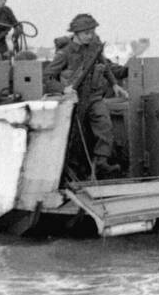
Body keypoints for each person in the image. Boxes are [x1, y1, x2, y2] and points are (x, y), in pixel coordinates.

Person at [43, 13, 125, 179]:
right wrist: (63, 89)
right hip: (75, 101)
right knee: (76, 137)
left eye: (92, 32)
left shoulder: (94, 48)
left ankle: (101, 163)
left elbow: (104, 66)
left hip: (94, 97)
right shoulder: (65, 54)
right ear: (77, 33)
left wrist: (115, 84)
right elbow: (47, 77)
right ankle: (74, 171)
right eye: (87, 33)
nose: (90, 36)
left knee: (105, 126)